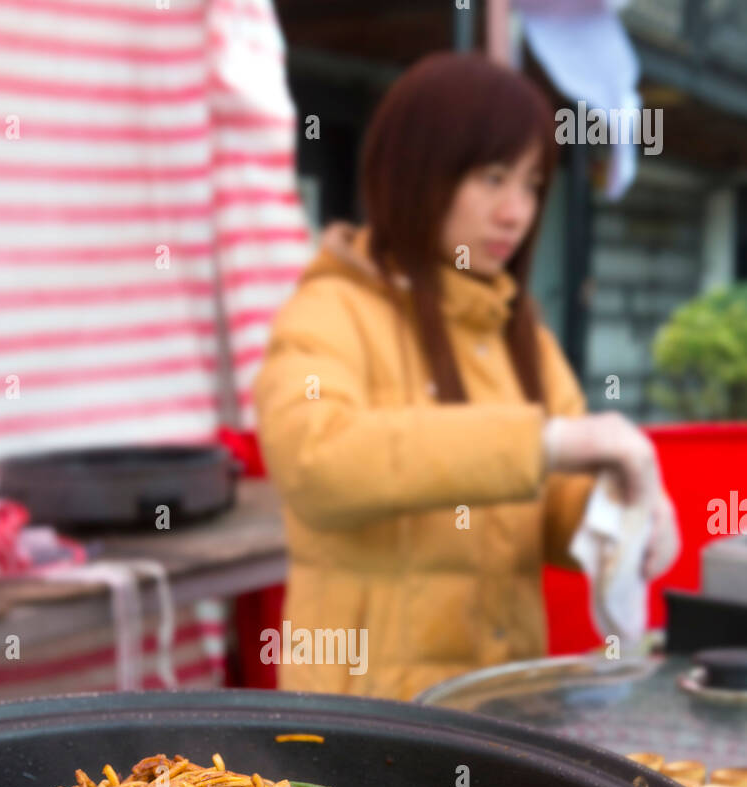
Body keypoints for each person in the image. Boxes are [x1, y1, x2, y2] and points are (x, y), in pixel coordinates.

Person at [253, 52, 679, 700]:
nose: (516, 211)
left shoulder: (519, 333)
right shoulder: (330, 310)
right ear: (416, 169)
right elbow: (318, 460)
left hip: (501, 714)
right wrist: (547, 443)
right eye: (492, 177)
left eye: (533, 183)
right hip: (363, 724)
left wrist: (626, 512)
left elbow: (559, 512)